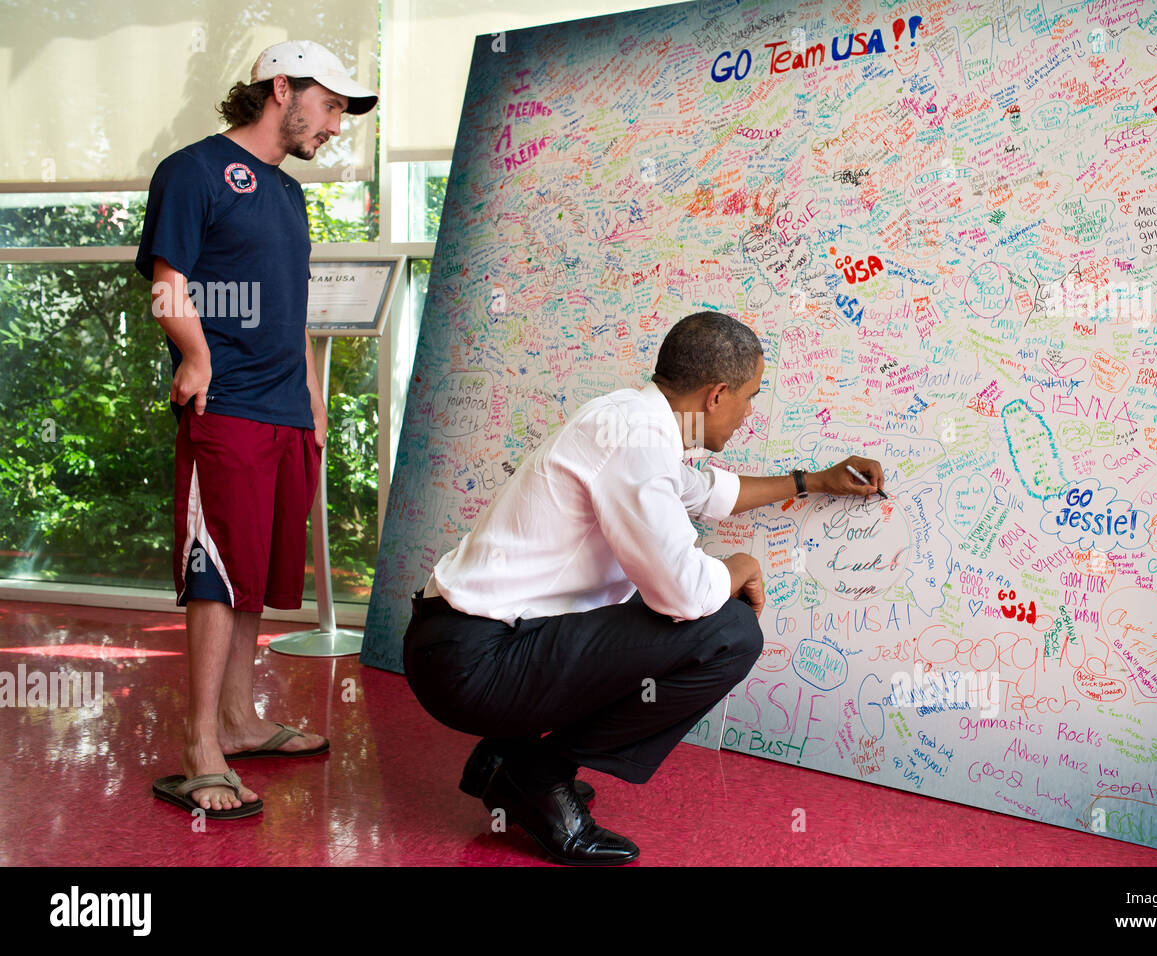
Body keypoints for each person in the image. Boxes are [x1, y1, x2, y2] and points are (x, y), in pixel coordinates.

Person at [404, 311, 885, 863]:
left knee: (651, 601)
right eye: (751, 396)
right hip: (475, 664)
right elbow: (686, 594)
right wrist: (742, 565)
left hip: (464, 644)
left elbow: (705, 493)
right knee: (727, 631)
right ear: (717, 395)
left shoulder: (629, 419)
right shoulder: (635, 440)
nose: (751, 412)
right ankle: (536, 775)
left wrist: (814, 480)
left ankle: (505, 757)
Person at [137, 41, 378, 820]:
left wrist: (311, 401)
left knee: (252, 580)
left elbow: (292, 309)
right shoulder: (194, 171)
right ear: (283, 89)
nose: (336, 126)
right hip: (227, 407)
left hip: (282, 413)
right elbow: (168, 291)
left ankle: (241, 722)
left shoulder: (284, 193)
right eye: (332, 106)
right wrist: (198, 356)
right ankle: (200, 746)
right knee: (215, 572)